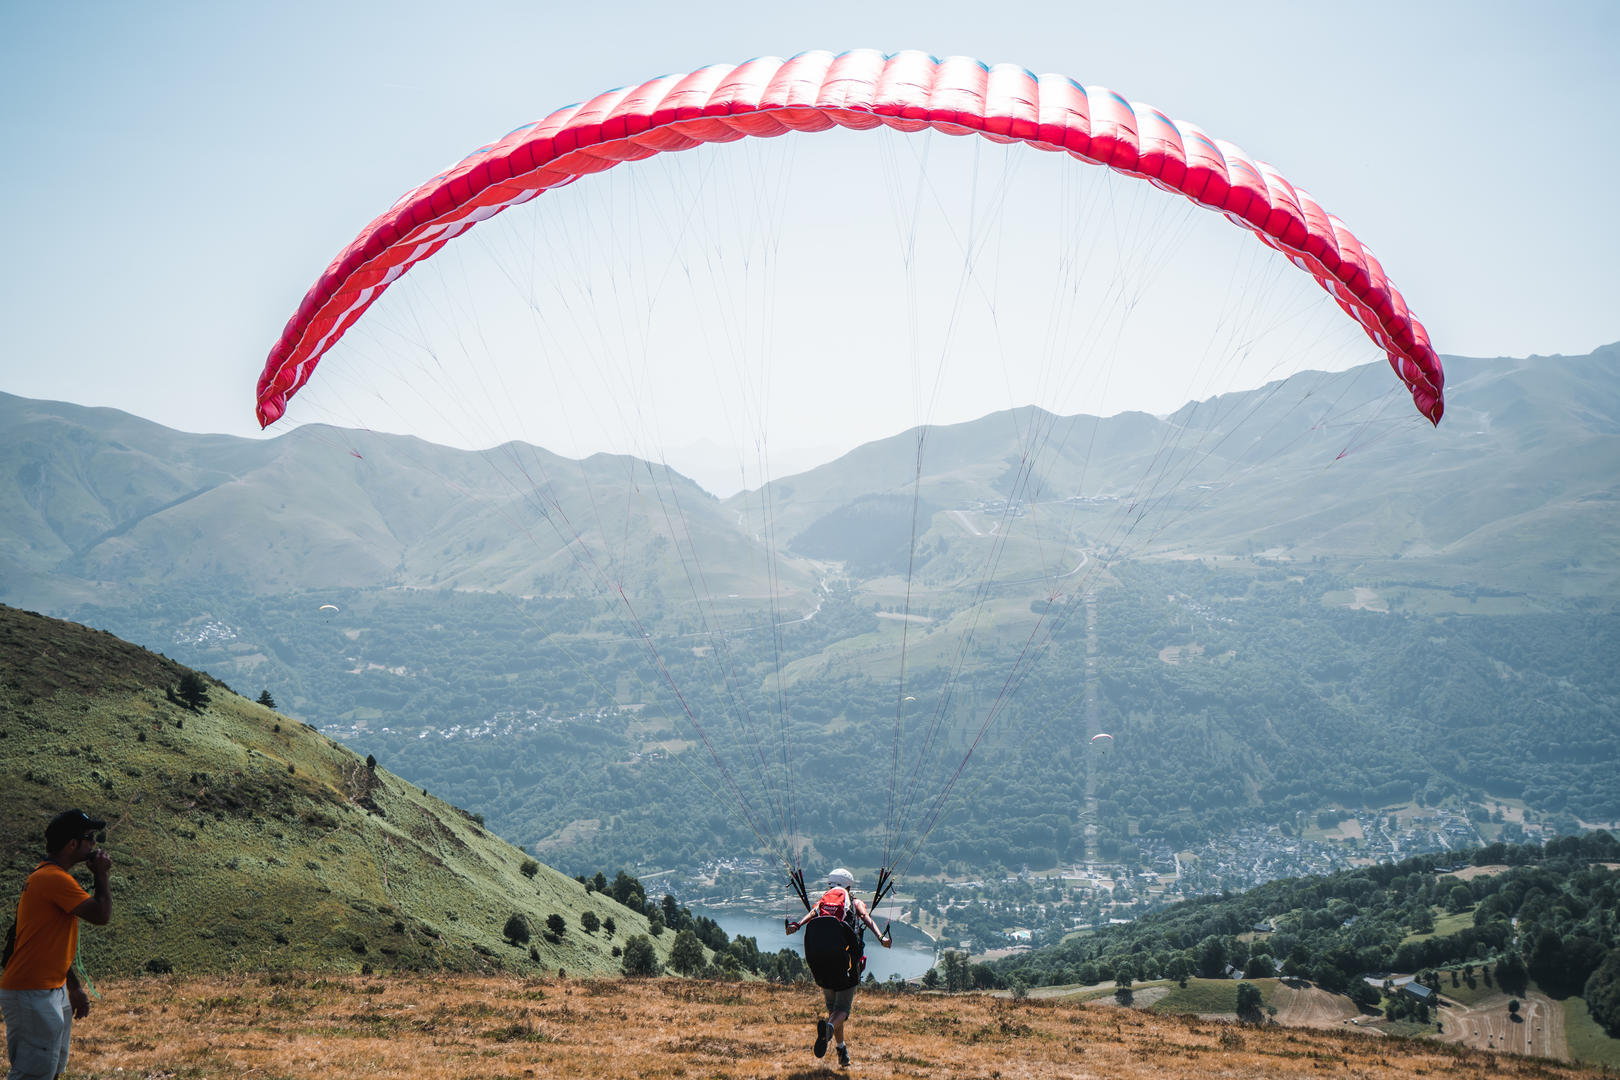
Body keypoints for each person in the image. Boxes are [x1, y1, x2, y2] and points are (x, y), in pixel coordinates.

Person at [1, 810, 112, 1080]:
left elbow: (47, 945)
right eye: (89, 838)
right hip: (33, 992)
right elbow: (101, 914)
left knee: (49, 1069)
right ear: (72, 844)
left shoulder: (46, 876)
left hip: (46, 987)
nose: (94, 844)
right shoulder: (54, 879)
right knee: (33, 1074)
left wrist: (72, 987)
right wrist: (101, 874)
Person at [785, 868, 890, 1068]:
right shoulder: (854, 901)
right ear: (849, 886)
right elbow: (867, 919)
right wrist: (882, 938)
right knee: (842, 1010)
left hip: (820, 964)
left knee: (834, 1009)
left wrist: (796, 926)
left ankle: (841, 1050)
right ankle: (830, 1028)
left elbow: (809, 915)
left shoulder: (823, 902)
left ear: (830, 885)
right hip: (845, 964)